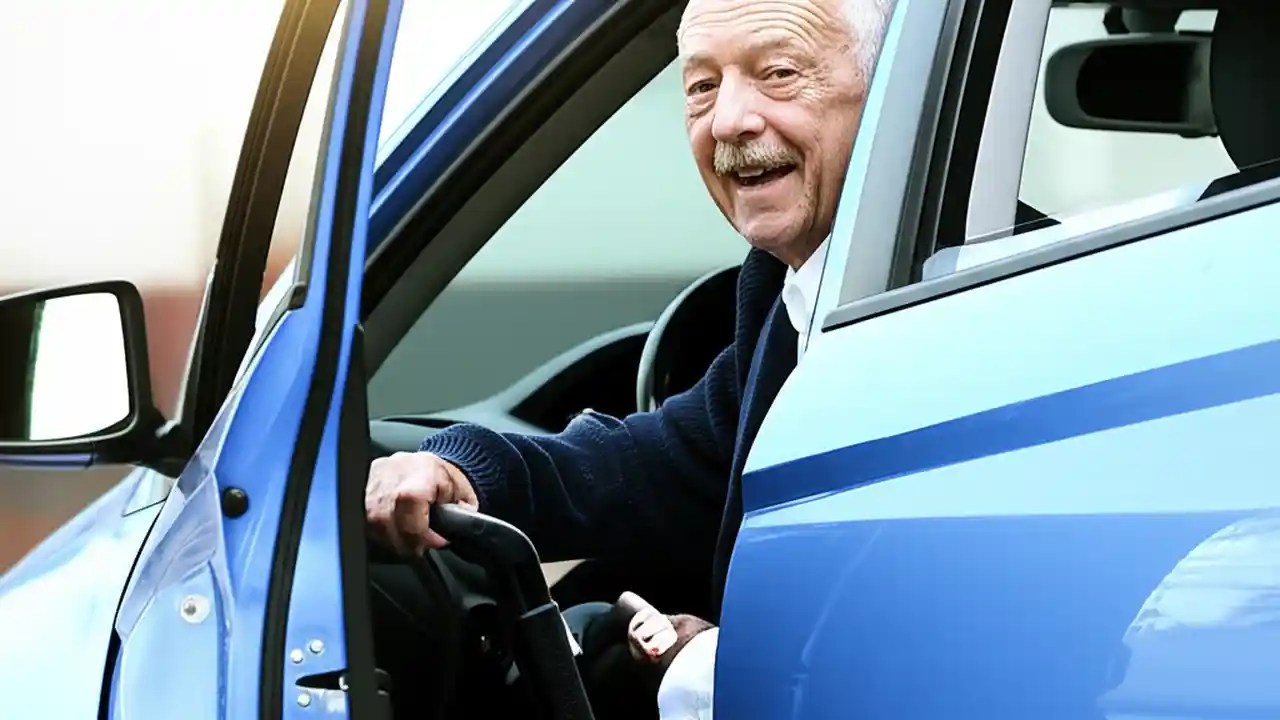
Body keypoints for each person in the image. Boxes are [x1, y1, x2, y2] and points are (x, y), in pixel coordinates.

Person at [365, 0, 896, 716]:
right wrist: (460, 472)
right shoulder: (790, 294)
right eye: (701, 86)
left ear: (894, 89)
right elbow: (646, 468)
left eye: (777, 73)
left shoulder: (987, 301)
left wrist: (701, 668)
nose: (729, 121)